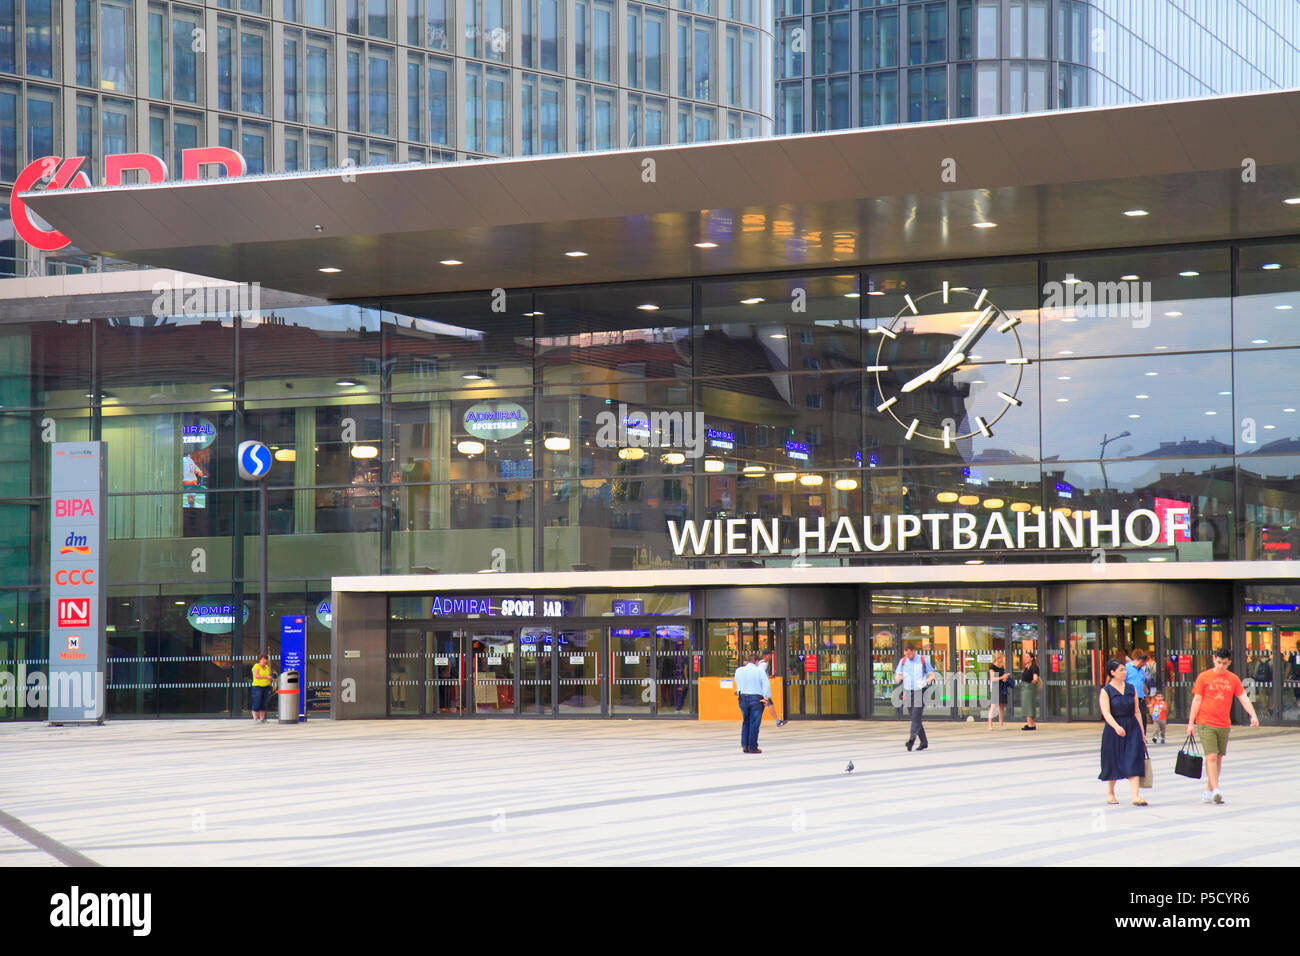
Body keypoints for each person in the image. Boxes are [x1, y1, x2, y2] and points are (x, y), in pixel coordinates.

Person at [1185, 648, 1260, 805]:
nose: (1221, 666)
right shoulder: (1204, 677)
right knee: (1211, 756)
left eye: (1224, 663)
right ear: (1214, 659)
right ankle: (1216, 790)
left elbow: (1243, 698)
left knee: (1218, 758)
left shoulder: (1232, 679)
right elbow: (1197, 700)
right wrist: (1191, 723)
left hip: (1223, 723)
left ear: (1229, 663)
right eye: (1218, 662)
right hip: (1205, 722)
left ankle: (1208, 790)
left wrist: (1252, 714)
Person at [1099, 658, 1148, 806]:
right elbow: (1106, 712)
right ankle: (1110, 792)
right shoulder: (1106, 691)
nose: (1124, 672)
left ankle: (1135, 796)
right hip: (1114, 728)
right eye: (1121, 670)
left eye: (1124, 669)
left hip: (1131, 726)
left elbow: (1137, 711)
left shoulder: (1131, 688)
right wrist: (1116, 727)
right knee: (1113, 760)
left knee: (1133, 757)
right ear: (1112, 672)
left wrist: (1142, 732)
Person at [894, 643, 936, 751]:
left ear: (914, 651)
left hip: (920, 691)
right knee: (914, 717)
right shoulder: (903, 661)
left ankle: (911, 740)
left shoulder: (922, 660)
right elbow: (897, 674)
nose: (908, 656)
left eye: (910, 654)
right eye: (906, 654)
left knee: (915, 715)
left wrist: (927, 680)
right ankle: (924, 742)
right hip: (908, 691)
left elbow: (932, 674)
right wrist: (898, 678)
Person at [734, 650, 771, 754]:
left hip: (743, 698)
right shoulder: (759, 671)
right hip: (756, 699)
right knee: (754, 723)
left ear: (747, 661)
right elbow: (766, 684)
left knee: (746, 721)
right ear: (756, 662)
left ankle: (745, 745)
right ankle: (753, 747)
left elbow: (737, 682)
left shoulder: (739, 670)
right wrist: (766, 698)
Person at [757, 657, 787, 726]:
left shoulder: (760, 663)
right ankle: (777, 721)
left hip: (760, 690)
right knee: (769, 705)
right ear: (767, 655)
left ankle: (777, 721)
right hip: (763, 691)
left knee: (765, 706)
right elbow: (761, 676)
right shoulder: (763, 664)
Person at [1124, 649, 1151, 724]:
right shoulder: (1126, 668)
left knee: (1142, 718)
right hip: (1130, 697)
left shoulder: (1141, 670)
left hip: (1140, 698)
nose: (1143, 665)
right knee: (1133, 719)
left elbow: (1143, 684)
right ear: (1140, 661)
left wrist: (1147, 697)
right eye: (1143, 663)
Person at [987, 651, 1011, 730]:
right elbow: (992, 678)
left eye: (1002, 657)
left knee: (1001, 706)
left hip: (1002, 687)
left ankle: (1001, 725)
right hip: (995, 687)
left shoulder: (1002, 667)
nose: (1002, 659)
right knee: (993, 706)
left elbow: (1001, 677)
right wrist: (1002, 677)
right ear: (997, 658)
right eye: (1000, 658)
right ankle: (990, 725)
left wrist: (1005, 678)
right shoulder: (992, 667)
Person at [1020, 651, 1041, 731]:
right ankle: (1031, 723)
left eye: (1027, 657)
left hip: (1029, 688)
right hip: (1025, 688)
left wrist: (1034, 681)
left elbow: (1035, 677)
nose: (1025, 658)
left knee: (1029, 705)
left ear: (1031, 658)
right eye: (1025, 657)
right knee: (1027, 705)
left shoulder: (1034, 667)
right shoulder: (1027, 666)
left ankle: (1030, 724)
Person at [250, 653, 273, 723]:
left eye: (265, 659)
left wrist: (269, 682)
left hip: (266, 686)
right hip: (257, 686)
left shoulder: (267, 667)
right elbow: (256, 675)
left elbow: (269, 676)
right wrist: (266, 677)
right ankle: (255, 718)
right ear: (260, 660)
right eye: (262, 659)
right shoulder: (256, 666)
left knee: (264, 702)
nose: (264, 661)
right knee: (257, 700)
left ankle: (262, 718)